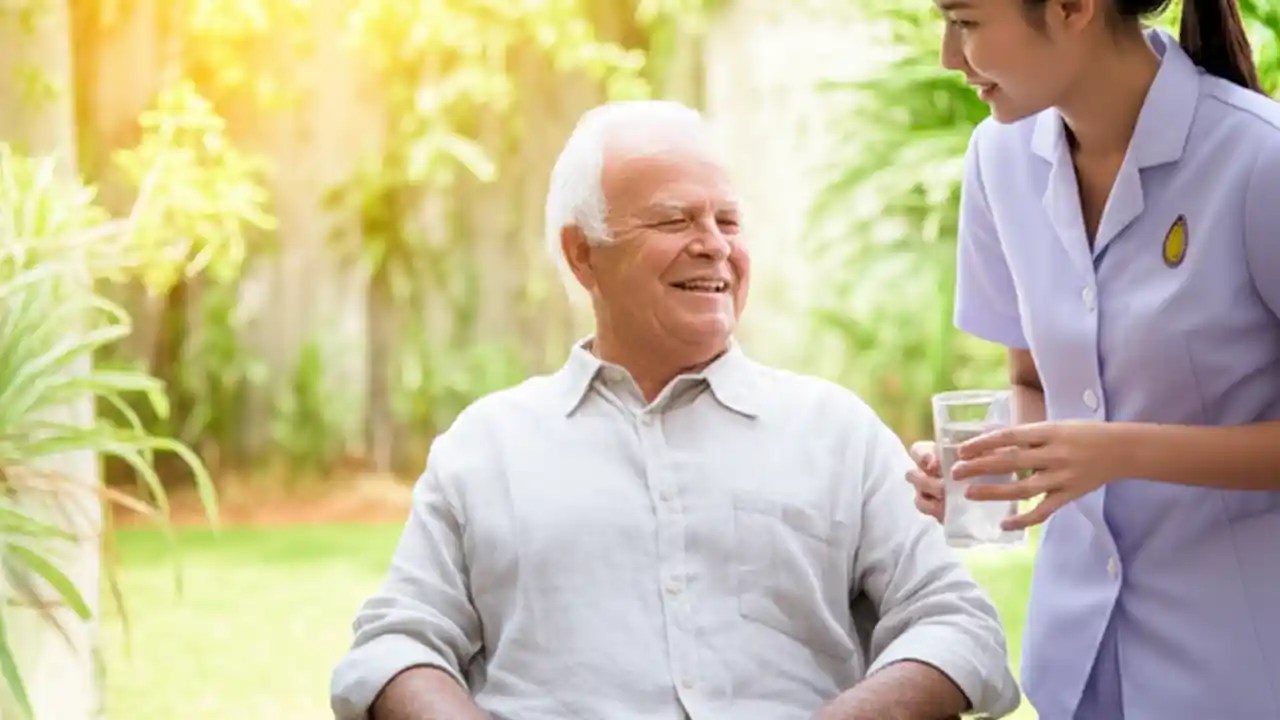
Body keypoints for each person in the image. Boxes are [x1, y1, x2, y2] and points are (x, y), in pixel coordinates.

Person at [330, 100, 1021, 720]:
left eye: (727, 220)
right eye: (673, 219)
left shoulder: (836, 431)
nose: (715, 244)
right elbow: (398, 639)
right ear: (583, 255)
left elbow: (958, 623)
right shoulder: (486, 447)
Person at [907, 0, 1280, 718]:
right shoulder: (1000, 158)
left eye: (967, 22)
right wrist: (1000, 464)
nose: (950, 58)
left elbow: (1105, 443)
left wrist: (1117, 452)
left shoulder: (1258, 161)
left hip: (1241, 667)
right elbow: (1031, 381)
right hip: (1077, 664)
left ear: (1074, 7)